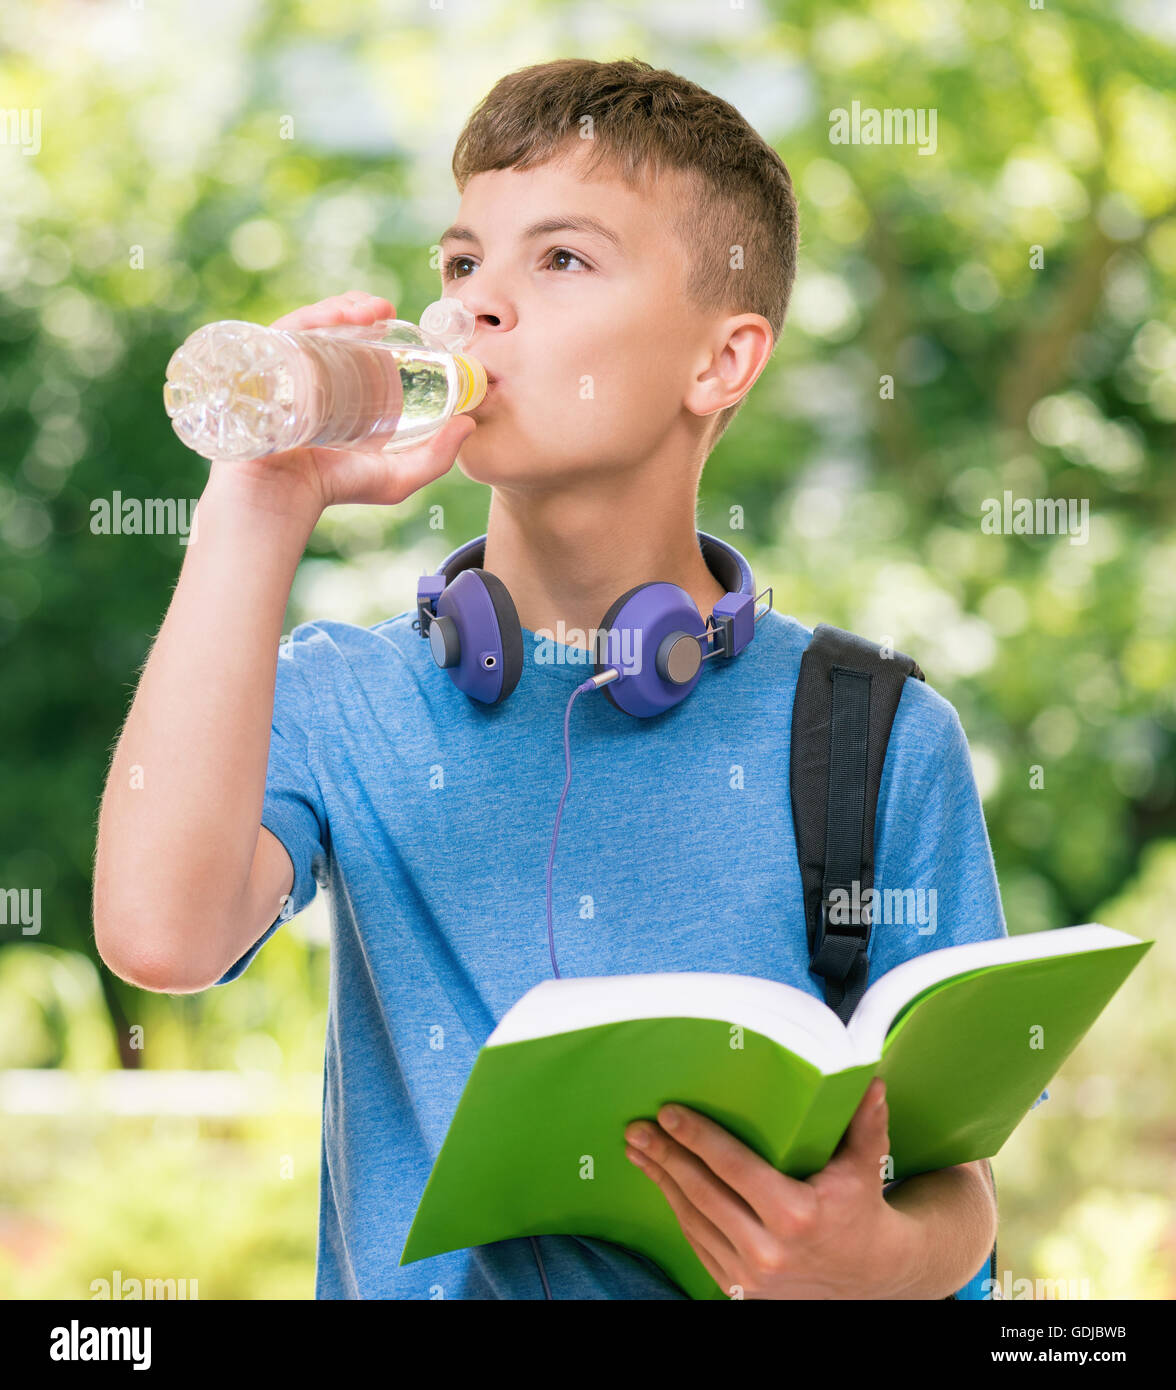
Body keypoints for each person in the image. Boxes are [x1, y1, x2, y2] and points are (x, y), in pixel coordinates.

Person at [93, 58, 1002, 1299]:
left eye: (560, 260)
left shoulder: (875, 731)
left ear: (722, 363)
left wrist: (877, 1258)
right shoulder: (337, 694)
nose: (475, 307)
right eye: (463, 262)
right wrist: (258, 500)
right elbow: (159, 935)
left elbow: (954, 1180)